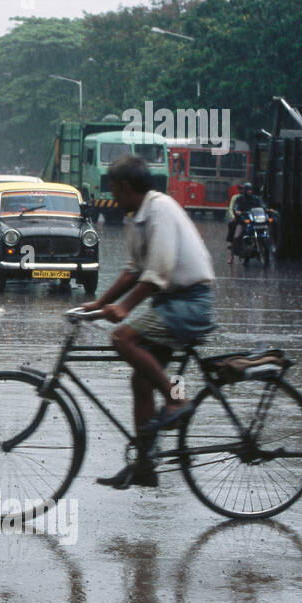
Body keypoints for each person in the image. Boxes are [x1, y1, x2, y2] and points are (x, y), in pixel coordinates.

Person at [83, 154, 216, 489]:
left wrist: (124, 309)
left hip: (190, 302)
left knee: (123, 338)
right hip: (170, 301)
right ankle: (144, 466)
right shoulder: (137, 217)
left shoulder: (161, 211)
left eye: (113, 188)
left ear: (126, 187)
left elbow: (158, 273)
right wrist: (100, 303)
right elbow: (133, 270)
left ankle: (176, 398)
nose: (111, 196)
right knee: (141, 381)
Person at [225, 181, 265, 263]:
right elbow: (235, 207)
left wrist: (265, 209)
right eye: (248, 190)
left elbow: (262, 204)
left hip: (253, 221)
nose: (249, 192)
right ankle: (231, 256)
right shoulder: (239, 199)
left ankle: (260, 250)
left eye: (250, 190)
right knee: (236, 237)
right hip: (242, 221)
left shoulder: (256, 198)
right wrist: (237, 211)